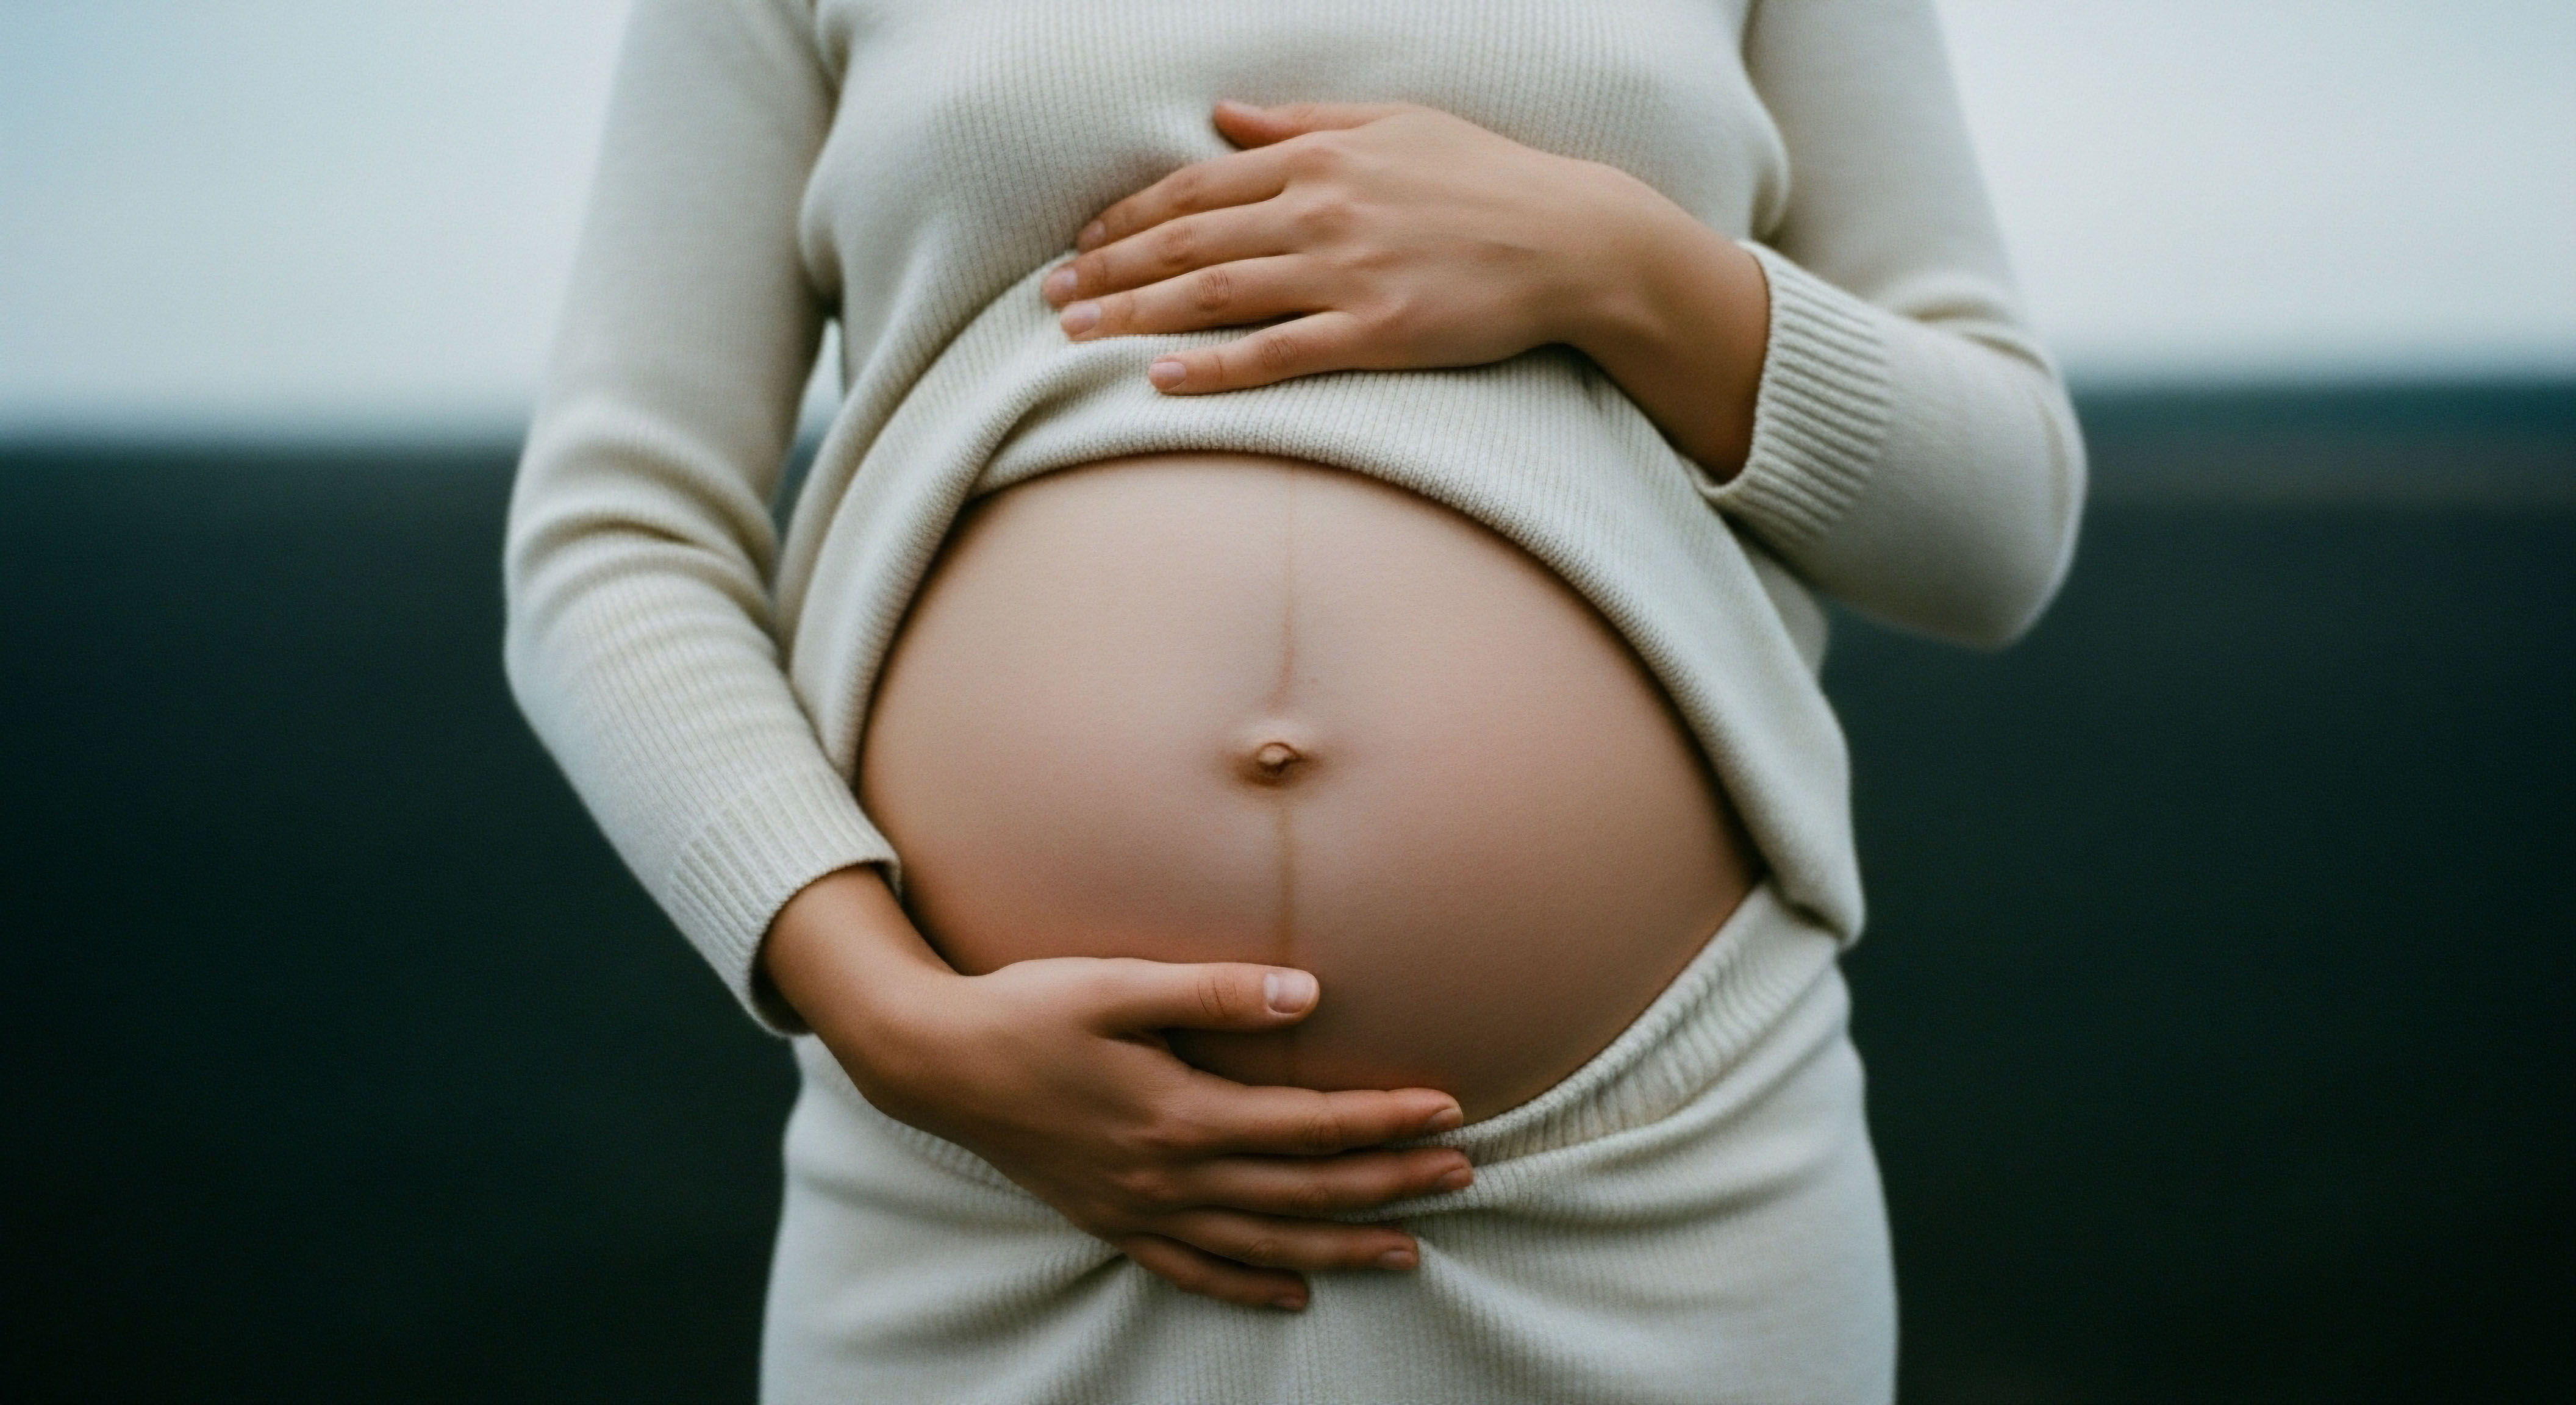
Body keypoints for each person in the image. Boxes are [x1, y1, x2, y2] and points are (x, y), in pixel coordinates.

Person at [504, 1, 2084, 1400]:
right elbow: (618, 535)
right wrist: (889, 1019)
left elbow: (1998, 526)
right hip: (994, 1205)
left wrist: (1617, 264)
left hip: (1654, 1201)